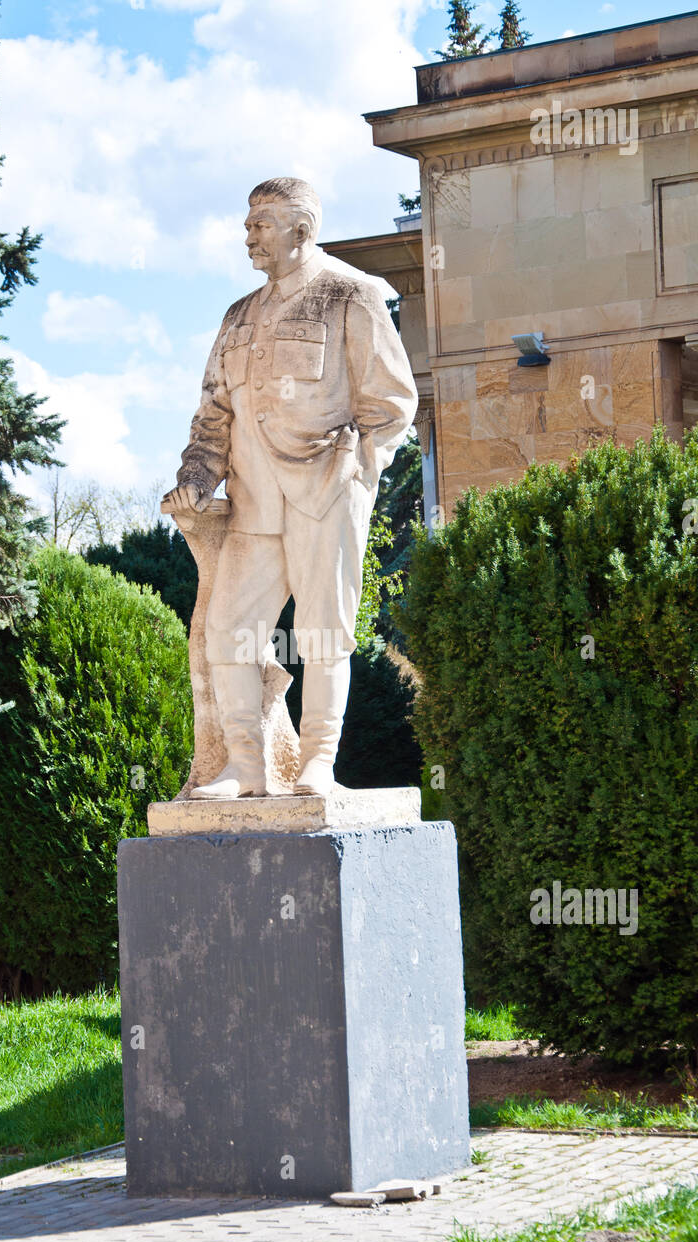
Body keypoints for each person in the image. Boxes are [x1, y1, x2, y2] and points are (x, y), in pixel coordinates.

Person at [163, 177, 417, 798]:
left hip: (326, 491)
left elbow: (393, 403)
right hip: (252, 501)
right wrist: (197, 476)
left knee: (325, 631)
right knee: (229, 632)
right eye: (248, 224)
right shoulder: (237, 316)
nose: (248, 235)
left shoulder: (351, 296)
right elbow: (213, 413)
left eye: (261, 224)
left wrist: (356, 469)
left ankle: (317, 765)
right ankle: (247, 771)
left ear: (301, 230)